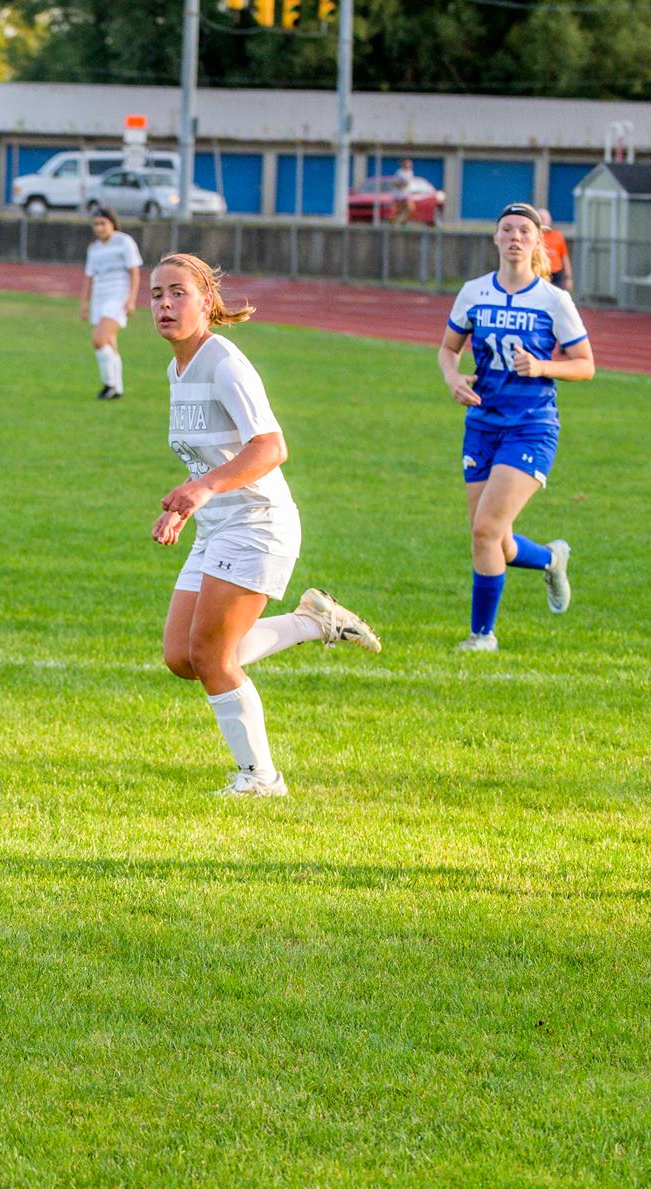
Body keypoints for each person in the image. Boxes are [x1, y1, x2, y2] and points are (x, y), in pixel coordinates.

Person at [151, 254, 382, 798]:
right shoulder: (176, 367)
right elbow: (209, 455)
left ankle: (261, 779)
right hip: (217, 525)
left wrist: (204, 489)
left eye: (178, 292)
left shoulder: (225, 363)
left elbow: (271, 447)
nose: (164, 304)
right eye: (157, 294)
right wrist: (185, 501)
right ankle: (311, 622)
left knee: (213, 658)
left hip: (258, 524)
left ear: (206, 299)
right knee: (183, 658)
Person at [438, 202, 595, 652]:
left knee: (486, 530)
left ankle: (482, 637)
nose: (514, 237)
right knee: (492, 539)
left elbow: (585, 366)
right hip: (482, 424)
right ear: (495, 238)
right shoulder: (473, 292)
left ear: (536, 241)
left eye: (524, 231)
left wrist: (543, 365)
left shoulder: (553, 300)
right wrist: (452, 377)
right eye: (506, 229)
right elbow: (449, 349)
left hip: (531, 426)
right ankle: (550, 558)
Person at [82, 207, 142, 400]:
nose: (99, 228)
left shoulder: (124, 242)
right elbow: (89, 277)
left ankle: (109, 385)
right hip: (99, 297)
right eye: (96, 224)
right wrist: (84, 303)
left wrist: (131, 299)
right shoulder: (94, 248)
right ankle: (117, 388)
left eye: (103, 223)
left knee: (98, 339)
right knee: (109, 343)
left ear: (112, 223)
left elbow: (134, 272)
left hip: (117, 297)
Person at [540, 208, 572, 293]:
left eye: (545, 218)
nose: (543, 221)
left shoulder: (557, 236)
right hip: (540, 272)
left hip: (556, 273)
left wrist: (568, 277)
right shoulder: (534, 237)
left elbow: (564, 257)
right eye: (541, 218)